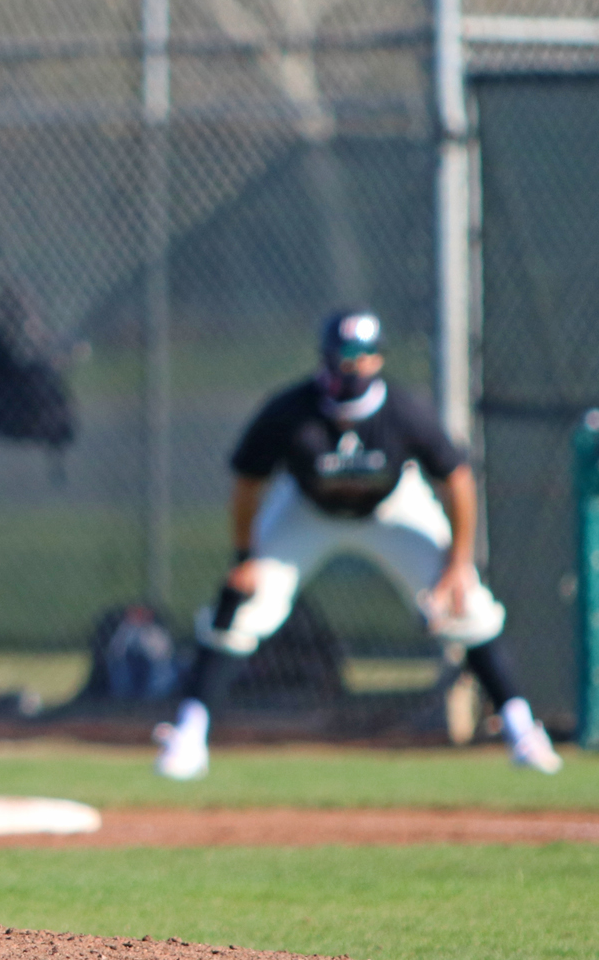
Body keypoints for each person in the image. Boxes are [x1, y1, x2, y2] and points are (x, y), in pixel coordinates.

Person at [154, 309, 561, 780]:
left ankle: (522, 729)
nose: (354, 366)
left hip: (391, 506)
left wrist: (458, 561)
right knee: (243, 605)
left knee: (466, 603)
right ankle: (189, 734)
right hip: (307, 510)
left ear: (379, 358)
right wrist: (244, 557)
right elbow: (247, 482)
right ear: (325, 357)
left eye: (364, 355)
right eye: (344, 355)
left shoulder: (403, 412)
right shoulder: (292, 410)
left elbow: (457, 480)